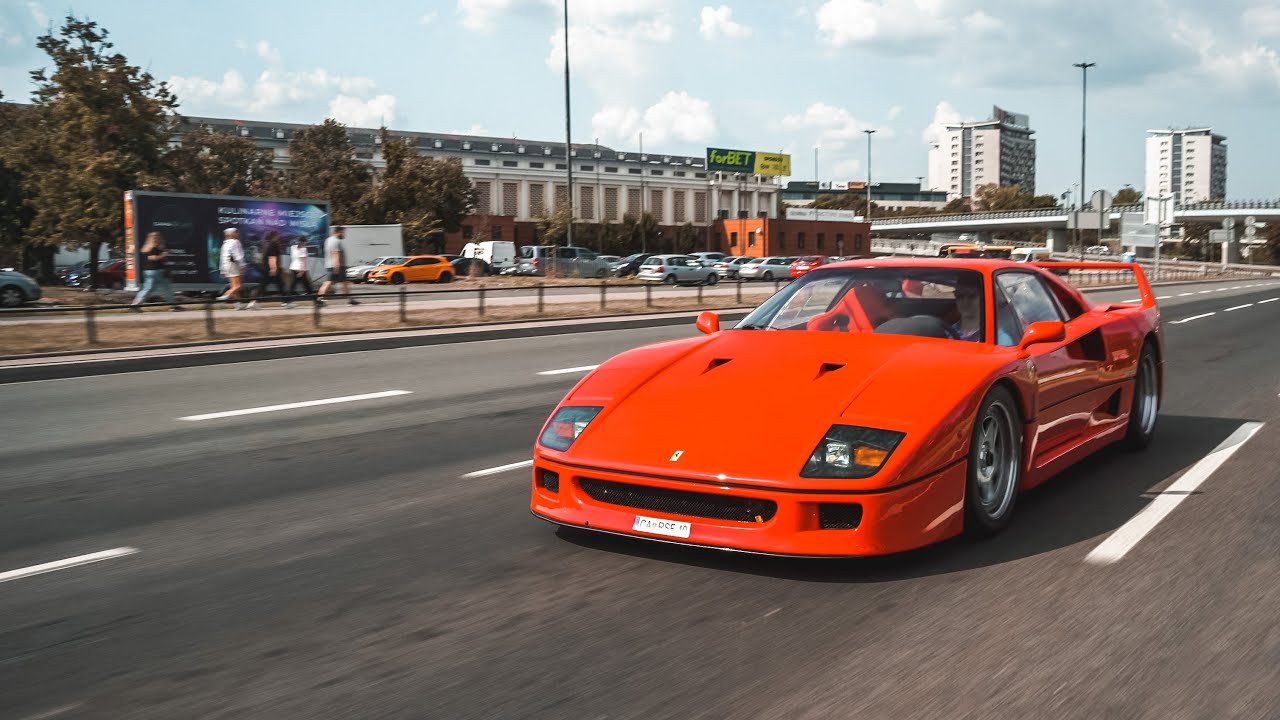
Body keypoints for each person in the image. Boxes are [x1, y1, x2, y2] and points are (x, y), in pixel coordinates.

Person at [131, 231, 182, 312]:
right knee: (165, 289)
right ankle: (173, 306)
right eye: (158, 237)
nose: (160, 238)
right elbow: (152, 258)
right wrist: (163, 255)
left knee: (150, 289)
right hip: (157, 271)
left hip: (149, 271)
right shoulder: (154, 248)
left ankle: (135, 305)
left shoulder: (146, 247)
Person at [251, 230, 293, 309]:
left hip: (266, 268)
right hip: (271, 269)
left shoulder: (265, 244)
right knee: (268, 285)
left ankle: (286, 302)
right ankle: (253, 302)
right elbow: (272, 257)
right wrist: (273, 268)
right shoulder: (273, 244)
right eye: (277, 236)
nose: (278, 237)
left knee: (278, 285)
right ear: (274, 236)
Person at [317, 225, 358, 306]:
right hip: (337, 266)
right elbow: (336, 254)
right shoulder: (336, 241)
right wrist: (337, 267)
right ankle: (319, 300)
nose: (344, 234)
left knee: (344, 283)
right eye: (343, 232)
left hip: (331, 265)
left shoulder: (328, 240)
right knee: (328, 283)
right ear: (338, 232)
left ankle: (350, 299)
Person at [217, 227, 247, 308]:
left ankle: (238, 304)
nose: (238, 234)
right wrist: (242, 265)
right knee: (238, 286)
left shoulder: (225, 244)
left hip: (226, 266)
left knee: (233, 286)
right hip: (234, 265)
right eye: (236, 232)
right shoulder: (235, 242)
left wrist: (222, 269)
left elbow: (222, 257)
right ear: (232, 234)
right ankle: (226, 295)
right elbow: (238, 256)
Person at [948, 276, 983, 342]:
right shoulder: (947, 331)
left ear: (984, 298)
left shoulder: (995, 335)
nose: (965, 302)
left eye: (972, 296)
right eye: (960, 296)